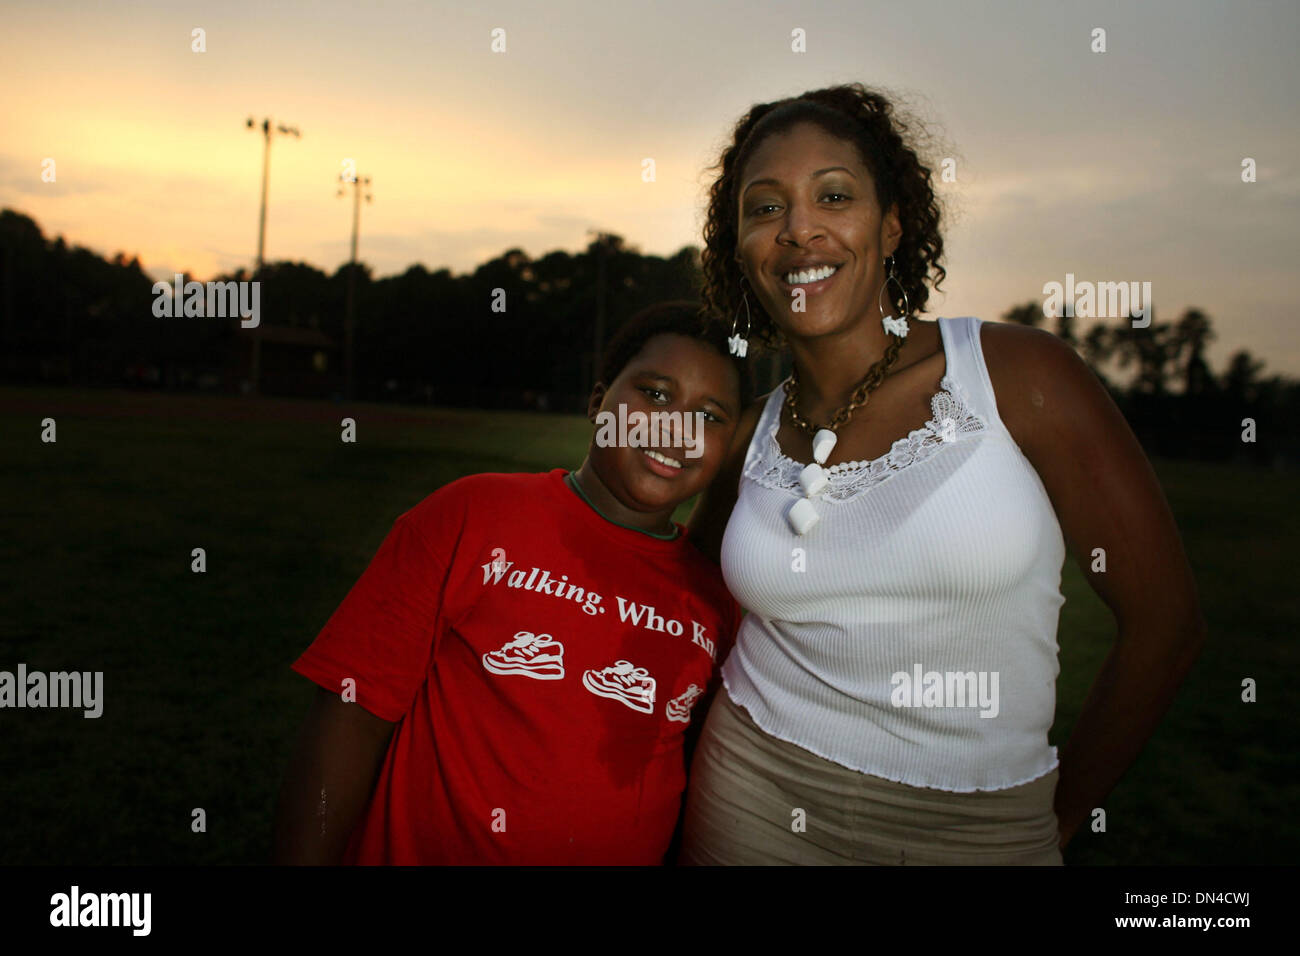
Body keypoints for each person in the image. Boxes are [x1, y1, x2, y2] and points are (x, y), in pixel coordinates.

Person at [679, 83, 1208, 865]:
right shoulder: (752, 431)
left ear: (892, 226)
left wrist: (1048, 822)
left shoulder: (1018, 377)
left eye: (834, 196)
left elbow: (1166, 624)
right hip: (750, 801)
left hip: (979, 831)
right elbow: (684, 604)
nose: (798, 230)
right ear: (741, 249)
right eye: (764, 208)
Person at [273, 301, 750, 865]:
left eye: (711, 416)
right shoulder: (474, 515)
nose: (678, 429)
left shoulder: (718, 598)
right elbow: (349, 718)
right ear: (599, 402)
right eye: (656, 394)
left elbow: (692, 778)